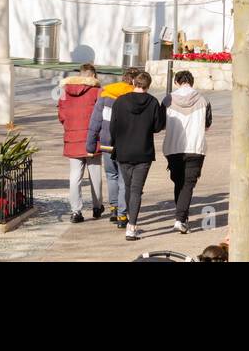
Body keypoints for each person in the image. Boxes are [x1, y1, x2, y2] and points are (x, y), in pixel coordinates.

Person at [109, 68, 168, 241]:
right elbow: (157, 127)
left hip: (123, 151)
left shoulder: (120, 101)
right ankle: (132, 227)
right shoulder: (152, 102)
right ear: (148, 86)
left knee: (128, 188)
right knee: (136, 190)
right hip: (143, 151)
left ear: (134, 83)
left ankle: (127, 218)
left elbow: (113, 127)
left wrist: (115, 143)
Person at [87, 67, 138, 229]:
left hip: (107, 143)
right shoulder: (135, 97)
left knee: (111, 175)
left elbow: (95, 121)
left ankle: (113, 208)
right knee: (124, 180)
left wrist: (90, 144)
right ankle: (123, 214)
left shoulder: (106, 93)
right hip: (126, 144)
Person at [162, 70, 212, 234]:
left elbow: (161, 122)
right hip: (195, 147)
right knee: (187, 185)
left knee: (179, 183)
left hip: (173, 147)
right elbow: (207, 124)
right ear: (192, 82)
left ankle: (181, 218)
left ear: (176, 82)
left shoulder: (168, 100)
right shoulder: (203, 100)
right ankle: (180, 219)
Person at [58, 63, 103, 223]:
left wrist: (69, 126)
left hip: (72, 139)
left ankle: (76, 211)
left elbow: (61, 114)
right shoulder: (97, 91)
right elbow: (101, 115)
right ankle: (97, 206)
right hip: (93, 138)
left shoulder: (64, 92)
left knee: (75, 176)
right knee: (95, 174)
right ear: (93, 76)